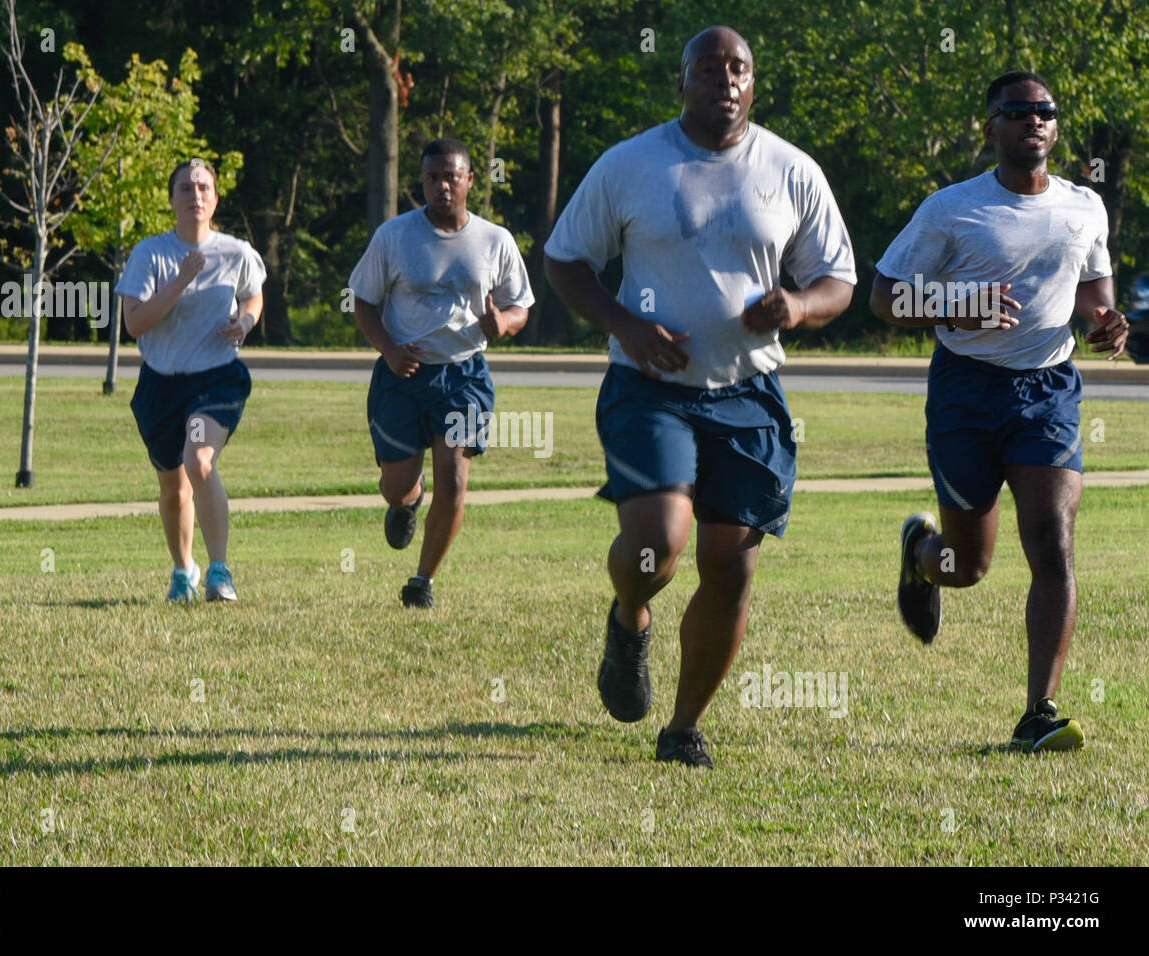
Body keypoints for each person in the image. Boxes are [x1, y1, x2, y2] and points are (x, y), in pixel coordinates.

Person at [544, 27, 856, 766]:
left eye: (739, 68)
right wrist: (626, 324)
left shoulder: (790, 169)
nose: (725, 79)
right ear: (681, 82)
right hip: (649, 388)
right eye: (709, 68)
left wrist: (799, 307)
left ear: (754, 82)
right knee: (659, 546)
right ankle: (630, 619)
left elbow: (838, 280)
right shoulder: (631, 164)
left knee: (732, 566)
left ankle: (682, 728)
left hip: (748, 394)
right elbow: (565, 261)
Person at [871, 71, 1129, 752]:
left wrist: (1108, 322)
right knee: (968, 565)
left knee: (1051, 544)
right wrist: (962, 305)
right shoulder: (951, 209)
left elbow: (1094, 291)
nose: (1033, 122)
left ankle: (1038, 712)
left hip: (1048, 389)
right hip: (966, 387)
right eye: (1017, 112)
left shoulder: (1084, 207)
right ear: (992, 128)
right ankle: (920, 555)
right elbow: (885, 298)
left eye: (1044, 111)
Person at [349, 138, 534, 609]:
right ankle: (407, 502)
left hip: (463, 376)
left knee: (454, 479)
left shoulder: (496, 241)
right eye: (433, 177)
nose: (442, 185)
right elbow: (363, 301)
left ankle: (422, 582)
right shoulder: (394, 236)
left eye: (452, 176)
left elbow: (521, 307)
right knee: (396, 484)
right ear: (423, 181)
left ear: (471, 180)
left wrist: (503, 323)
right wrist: (389, 350)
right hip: (402, 375)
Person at [117, 158, 265, 603]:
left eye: (203, 187)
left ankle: (220, 571)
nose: (195, 195)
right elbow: (135, 323)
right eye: (185, 188)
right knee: (172, 486)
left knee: (199, 462)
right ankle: (184, 572)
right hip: (161, 385)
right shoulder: (149, 254)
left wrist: (246, 322)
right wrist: (181, 279)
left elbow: (254, 294)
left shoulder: (236, 252)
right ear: (172, 199)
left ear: (215, 199)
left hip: (215, 379)